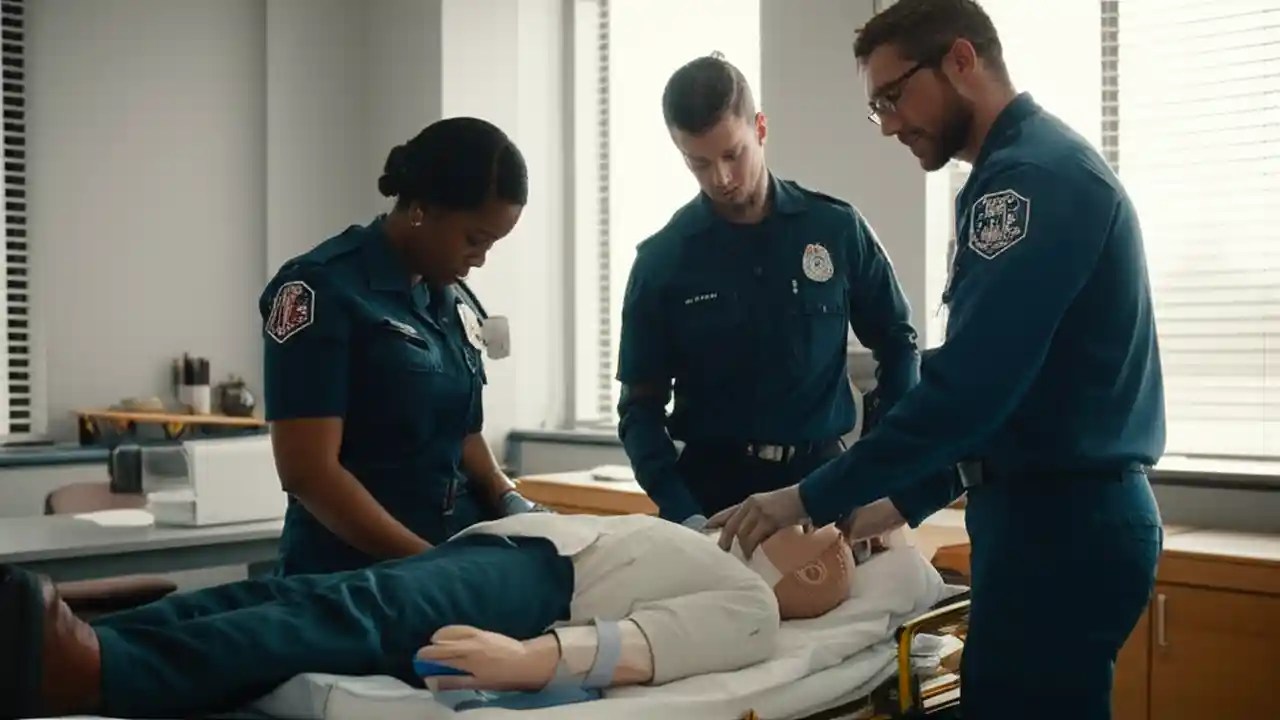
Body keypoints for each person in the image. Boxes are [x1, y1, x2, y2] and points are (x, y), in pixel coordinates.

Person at [707, 2, 1165, 718]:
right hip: (1052, 516)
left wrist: (807, 496)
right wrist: (885, 508)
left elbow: (968, 393)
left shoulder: (1029, 182)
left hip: (1060, 524)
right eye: (876, 108)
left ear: (960, 60)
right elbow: (1012, 402)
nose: (889, 123)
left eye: (893, 96)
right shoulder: (1023, 171)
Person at [2, 513, 855, 719]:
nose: (797, 520)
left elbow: (646, 648)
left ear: (816, 566)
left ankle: (99, 672)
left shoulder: (751, 607)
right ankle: (93, 644)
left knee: (341, 616)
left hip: (538, 592)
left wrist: (533, 661)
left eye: (823, 535)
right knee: (305, 597)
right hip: (507, 551)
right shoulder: (712, 538)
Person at [616, 54, 928, 533]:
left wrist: (877, 469)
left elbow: (898, 342)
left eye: (732, 154)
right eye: (698, 163)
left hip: (824, 486)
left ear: (760, 129)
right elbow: (640, 408)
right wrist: (684, 512)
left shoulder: (836, 229)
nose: (720, 177)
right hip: (712, 497)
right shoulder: (663, 261)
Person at [259, 117, 547, 576]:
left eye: (493, 244)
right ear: (423, 209)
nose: (481, 258)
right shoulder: (319, 289)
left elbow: (462, 429)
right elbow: (309, 473)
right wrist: (428, 566)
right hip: (351, 578)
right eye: (475, 239)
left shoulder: (451, 296)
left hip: (448, 561)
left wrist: (505, 494)